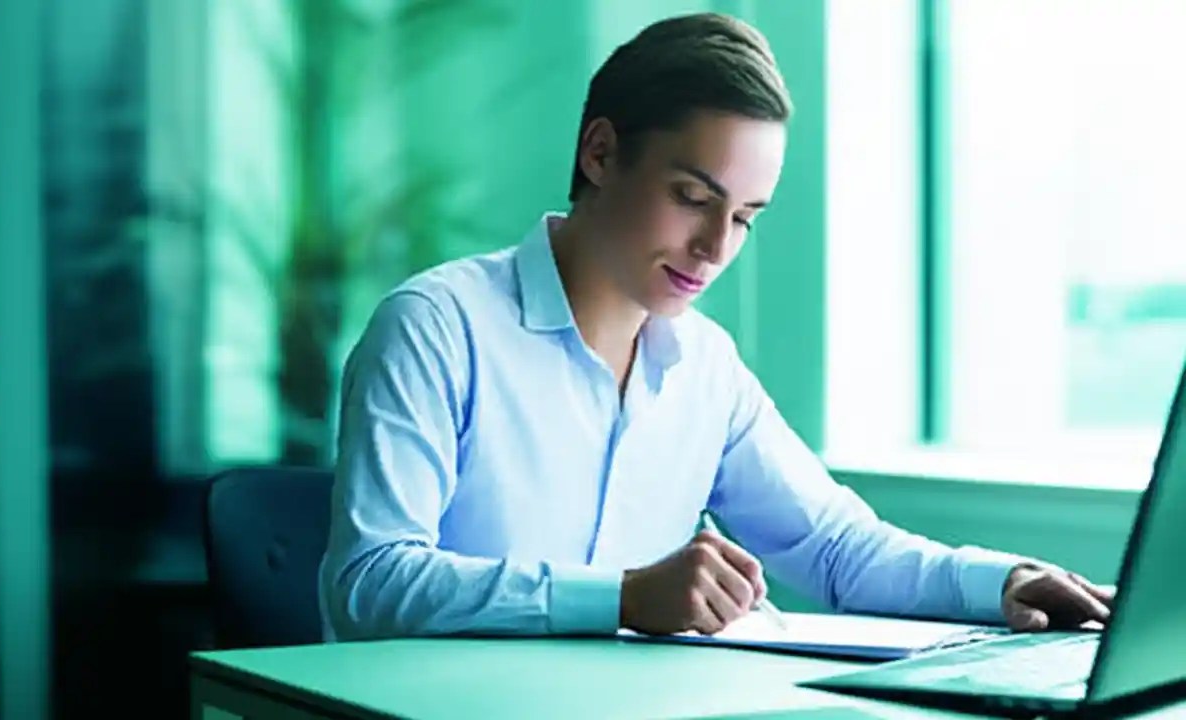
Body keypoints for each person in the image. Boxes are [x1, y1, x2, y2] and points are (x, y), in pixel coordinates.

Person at [318, 12, 1113, 642]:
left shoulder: (704, 366)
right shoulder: (437, 329)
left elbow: (836, 548)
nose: (715, 247)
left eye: (744, 217)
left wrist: (1002, 584)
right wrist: (626, 597)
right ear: (601, 153)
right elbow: (370, 582)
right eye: (693, 199)